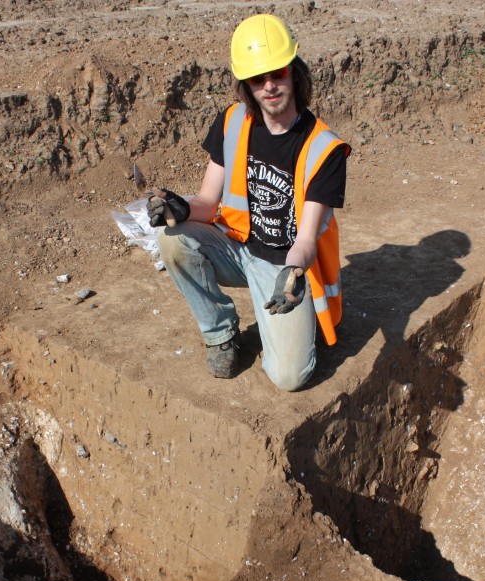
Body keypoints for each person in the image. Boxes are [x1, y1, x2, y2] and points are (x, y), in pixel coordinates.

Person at [148, 13, 350, 391]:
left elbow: (306, 240)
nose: (270, 86)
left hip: (283, 267)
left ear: (295, 71)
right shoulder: (232, 122)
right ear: (246, 85)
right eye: (258, 79)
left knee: (290, 377)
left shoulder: (326, 150)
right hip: (238, 249)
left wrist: (291, 276)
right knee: (173, 240)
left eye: (279, 73)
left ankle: (283, 314)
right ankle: (221, 334)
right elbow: (209, 201)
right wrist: (181, 208)